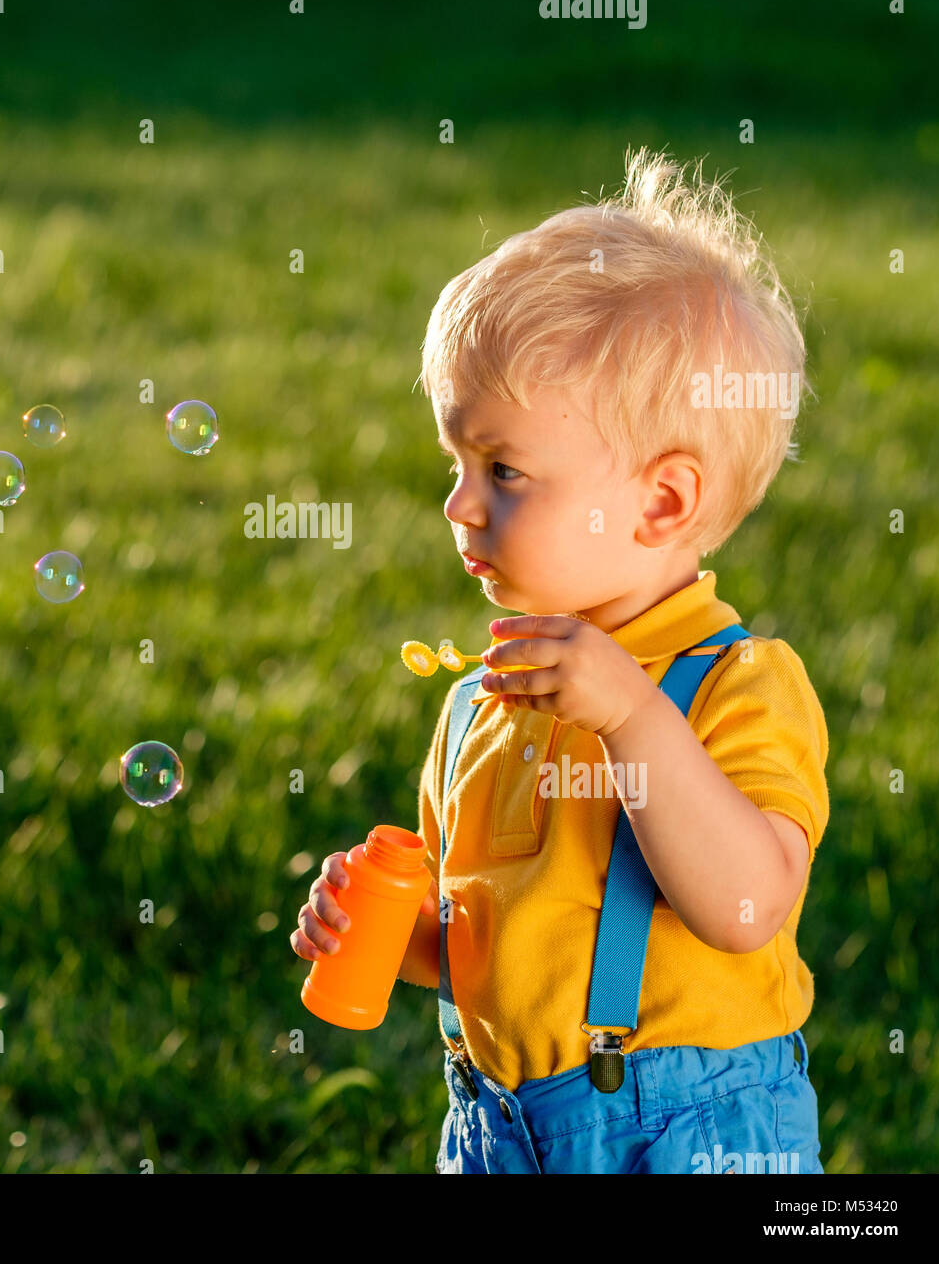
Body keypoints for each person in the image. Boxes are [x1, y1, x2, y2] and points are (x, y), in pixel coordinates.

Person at [292, 148, 827, 1174]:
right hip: (501, 1125)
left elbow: (746, 905)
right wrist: (397, 937)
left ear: (661, 503)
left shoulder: (736, 681)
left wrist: (631, 716)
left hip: (683, 1129)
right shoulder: (479, 706)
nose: (458, 504)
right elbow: (494, 957)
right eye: (455, 463)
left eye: (503, 469)